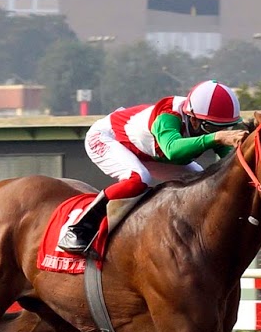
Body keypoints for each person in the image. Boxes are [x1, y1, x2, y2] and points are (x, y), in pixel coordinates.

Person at [57, 78, 248, 254]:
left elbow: (233, 163)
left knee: (203, 182)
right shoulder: (168, 116)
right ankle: (79, 228)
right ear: (194, 119)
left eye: (227, 127)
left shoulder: (206, 122)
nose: (222, 132)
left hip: (150, 152)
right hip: (107, 137)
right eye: (214, 127)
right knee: (138, 179)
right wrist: (216, 137)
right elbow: (173, 149)